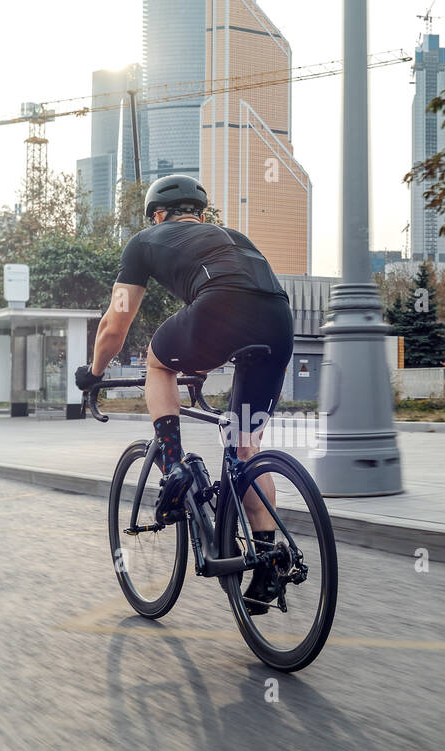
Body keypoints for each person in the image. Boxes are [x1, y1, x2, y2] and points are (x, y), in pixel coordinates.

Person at [75, 174, 294, 614]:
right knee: (245, 446)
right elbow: (243, 302)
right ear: (200, 212)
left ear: (157, 215)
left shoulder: (144, 240)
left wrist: (93, 372)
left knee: (158, 362)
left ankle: (173, 465)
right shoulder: (231, 237)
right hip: (277, 317)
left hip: (220, 308)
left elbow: (115, 323)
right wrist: (199, 364)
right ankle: (269, 561)